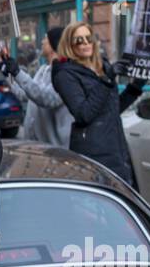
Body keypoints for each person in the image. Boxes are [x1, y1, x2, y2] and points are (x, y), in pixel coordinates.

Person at [51, 22, 145, 187]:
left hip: (116, 146)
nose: (86, 43)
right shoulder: (65, 74)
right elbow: (84, 114)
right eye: (79, 40)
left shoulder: (103, 65)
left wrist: (135, 87)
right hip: (94, 150)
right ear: (69, 45)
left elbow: (112, 109)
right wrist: (107, 80)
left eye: (89, 38)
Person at [0, 26, 71, 147]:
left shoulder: (66, 73)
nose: (42, 42)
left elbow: (46, 98)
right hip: (35, 146)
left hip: (56, 151)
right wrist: (9, 74)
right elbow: (25, 94)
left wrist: (18, 73)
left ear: (54, 45)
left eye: (45, 39)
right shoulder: (43, 70)